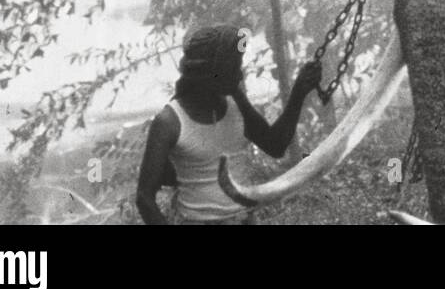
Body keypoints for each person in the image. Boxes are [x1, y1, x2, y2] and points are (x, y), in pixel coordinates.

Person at [136, 25, 321, 225]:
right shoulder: (169, 122)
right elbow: (145, 198)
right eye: (234, 69)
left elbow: (275, 145)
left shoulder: (236, 102)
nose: (240, 75)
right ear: (211, 74)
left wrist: (299, 92)